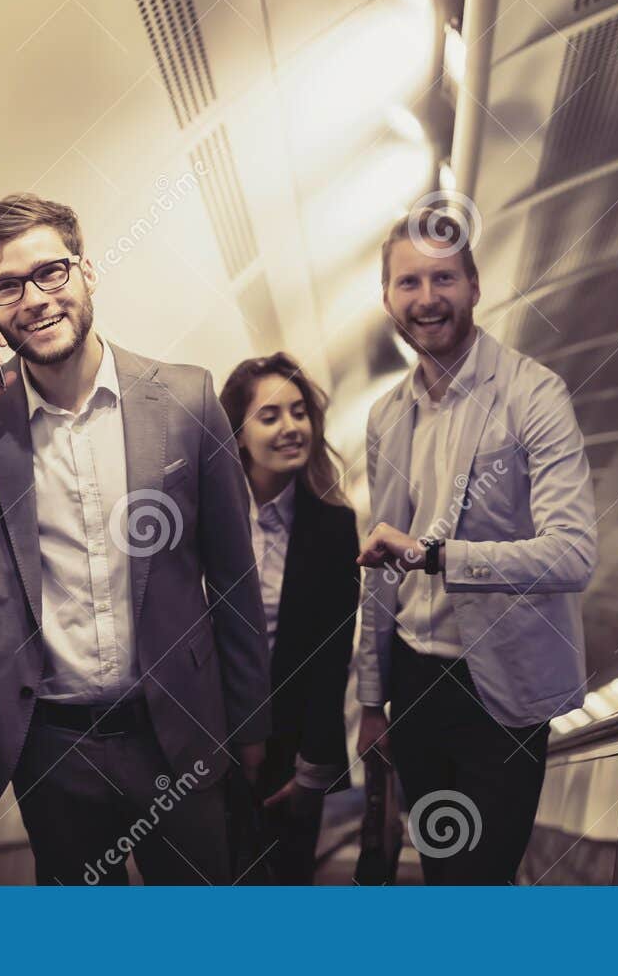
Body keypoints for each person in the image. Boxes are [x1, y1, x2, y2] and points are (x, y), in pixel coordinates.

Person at [0, 192, 271, 885]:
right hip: (52, 747)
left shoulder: (185, 399)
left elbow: (234, 581)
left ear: (87, 270)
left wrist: (255, 726)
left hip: (176, 728)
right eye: (7, 286)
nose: (35, 298)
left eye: (51, 272)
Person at [353, 205, 597, 884]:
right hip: (416, 682)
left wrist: (435, 557)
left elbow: (573, 552)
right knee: (440, 871)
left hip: (504, 687)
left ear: (474, 285)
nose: (426, 299)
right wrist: (372, 701)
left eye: (443, 279)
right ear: (387, 297)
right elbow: (380, 565)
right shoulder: (385, 416)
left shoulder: (533, 394)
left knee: (481, 878)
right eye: (408, 283)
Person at [219, 353, 359, 884]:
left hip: (288, 757)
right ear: (237, 433)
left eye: (299, 412)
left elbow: (331, 659)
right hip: (207, 748)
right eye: (271, 415)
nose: (291, 427)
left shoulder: (333, 528)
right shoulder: (200, 519)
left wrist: (313, 773)